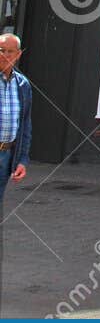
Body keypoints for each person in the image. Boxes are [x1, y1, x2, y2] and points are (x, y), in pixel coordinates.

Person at [0, 32, 31, 200]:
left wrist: (22, 160)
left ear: (18, 54)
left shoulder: (22, 84)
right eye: (1, 50)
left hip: (7, 155)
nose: (4, 55)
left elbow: (25, 125)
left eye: (9, 51)